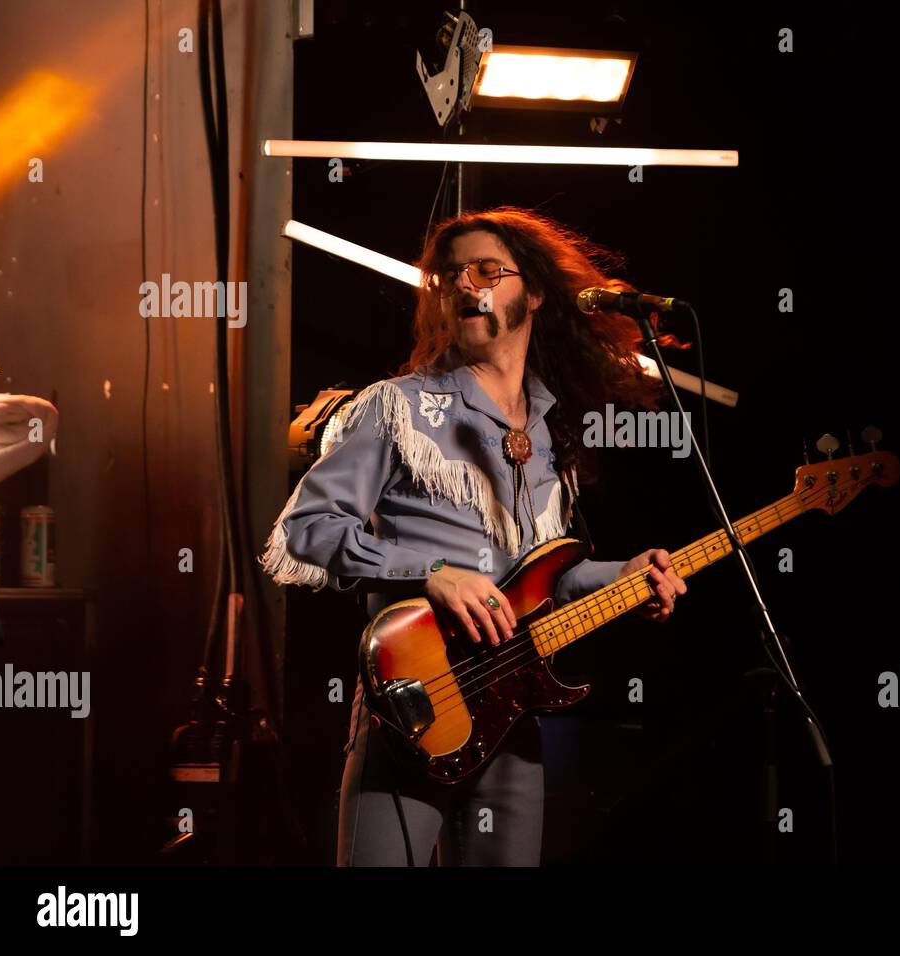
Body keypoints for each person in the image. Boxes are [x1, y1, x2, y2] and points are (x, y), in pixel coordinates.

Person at [259, 207, 688, 866]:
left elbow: (548, 578)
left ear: (534, 293)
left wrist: (628, 575)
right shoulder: (396, 406)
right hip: (413, 705)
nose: (466, 285)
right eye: (452, 276)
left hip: (510, 718)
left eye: (488, 270)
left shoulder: (551, 433)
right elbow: (306, 529)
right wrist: (427, 568)